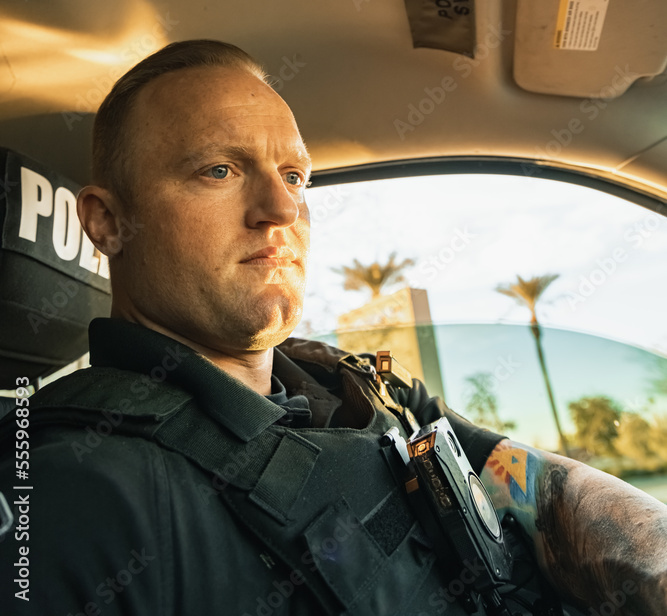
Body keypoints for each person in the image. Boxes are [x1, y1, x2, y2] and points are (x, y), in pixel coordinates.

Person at [0, 39, 666, 616]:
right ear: (106, 223)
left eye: (294, 175)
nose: (282, 206)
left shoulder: (358, 387)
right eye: (219, 170)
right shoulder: (73, 491)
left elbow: (530, 487)